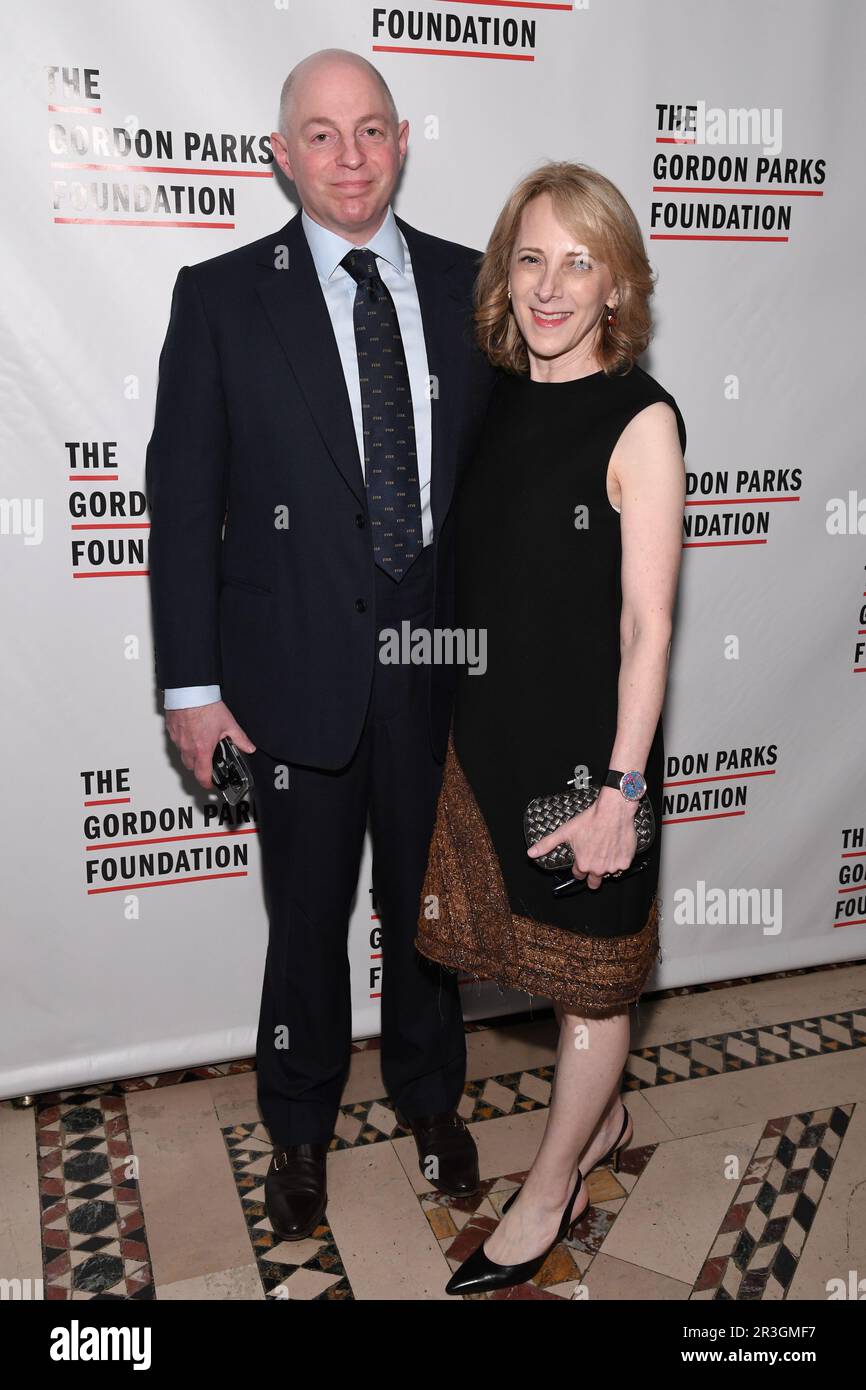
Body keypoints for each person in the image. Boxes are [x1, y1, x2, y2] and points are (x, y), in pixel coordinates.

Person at [145, 48, 496, 1243]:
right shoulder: (221, 295)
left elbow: (505, 488)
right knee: (303, 925)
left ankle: (431, 1102)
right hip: (289, 682)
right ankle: (297, 1131)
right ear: (280, 154)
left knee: (428, 916)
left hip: (437, 674)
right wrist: (191, 690)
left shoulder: (472, 288)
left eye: (371, 130)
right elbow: (184, 504)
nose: (350, 156)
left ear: (403, 140)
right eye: (321, 133)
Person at [415, 162, 687, 1294]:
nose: (550, 283)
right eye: (531, 256)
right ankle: (606, 1109)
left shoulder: (640, 419)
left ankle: (548, 1187)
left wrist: (620, 795)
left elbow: (647, 623)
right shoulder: (486, 399)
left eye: (580, 261)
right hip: (488, 739)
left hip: (592, 756)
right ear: (503, 272)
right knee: (526, 966)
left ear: (617, 285)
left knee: (590, 984)